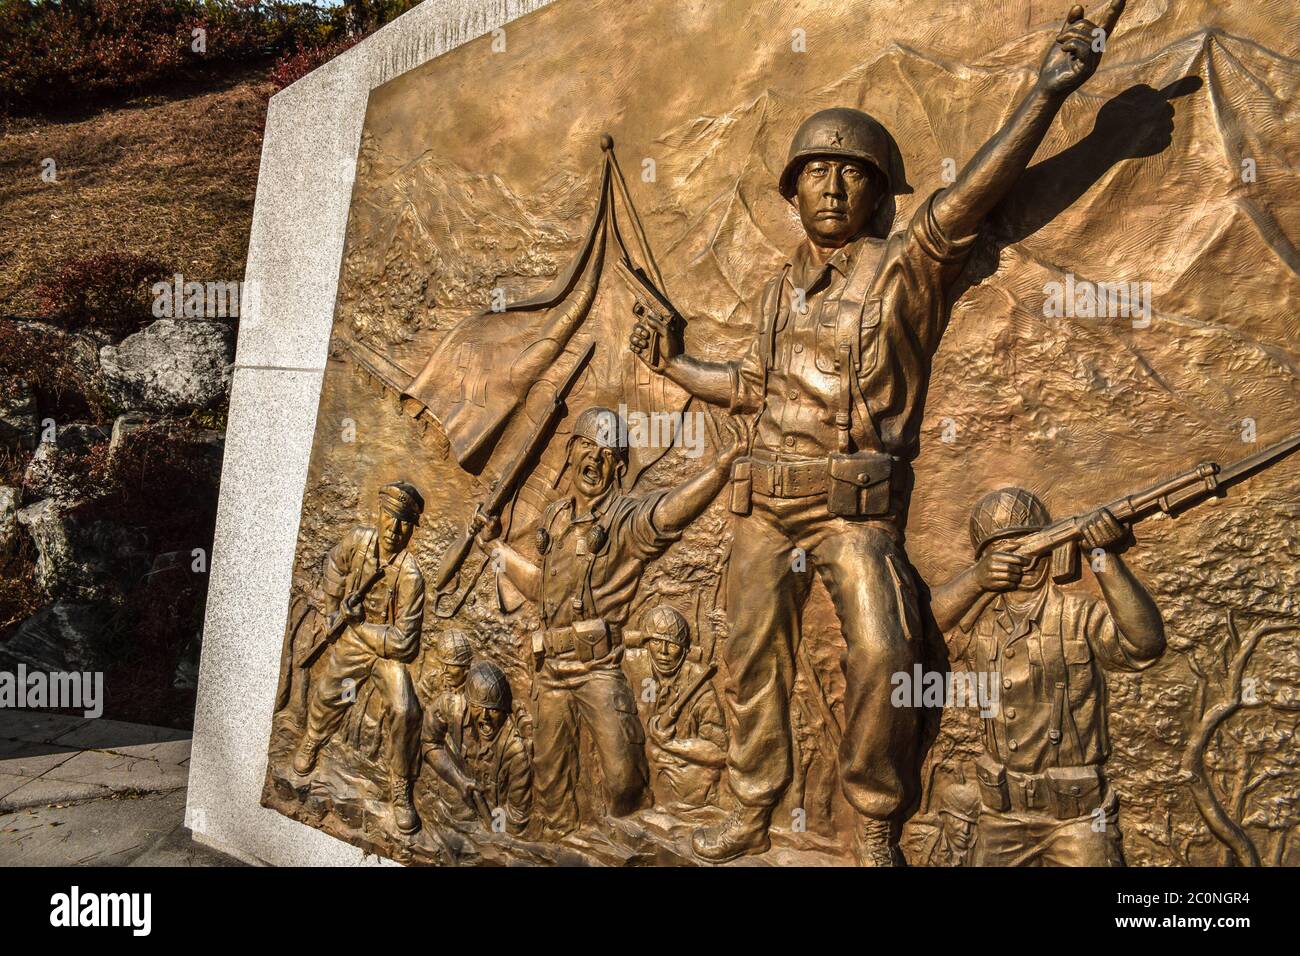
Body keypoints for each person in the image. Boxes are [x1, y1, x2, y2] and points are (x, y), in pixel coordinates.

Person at [629, 1, 1131, 865]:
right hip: (764, 505)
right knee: (745, 661)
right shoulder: (777, 293)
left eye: (851, 172)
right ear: (791, 191)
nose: (830, 185)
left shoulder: (908, 267)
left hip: (854, 513)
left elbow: (974, 192)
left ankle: (872, 819)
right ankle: (751, 806)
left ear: (878, 192)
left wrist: (1047, 94)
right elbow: (750, 387)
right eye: (815, 171)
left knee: (887, 653)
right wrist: (675, 365)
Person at [476, 405, 744, 835]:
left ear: (618, 467)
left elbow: (670, 512)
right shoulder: (557, 516)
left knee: (625, 779)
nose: (595, 460)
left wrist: (721, 468)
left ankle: (628, 847)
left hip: (597, 669)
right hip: (550, 672)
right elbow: (543, 589)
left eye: (607, 453)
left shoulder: (626, 520)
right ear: (571, 451)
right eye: (587, 447)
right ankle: (563, 847)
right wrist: (495, 551)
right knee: (552, 785)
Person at [929, 487, 1166, 866]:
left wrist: (1103, 557)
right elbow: (915, 628)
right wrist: (975, 581)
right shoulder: (980, 622)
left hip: (1078, 816)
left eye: (1029, 544)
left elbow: (1146, 643)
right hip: (1001, 814)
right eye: (1004, 551)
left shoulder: (1078, 614)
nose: (1023, 559)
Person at [292, 480, 426, 836]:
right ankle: (313, 739)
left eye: (404, 524)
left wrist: (359, 624)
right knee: (330, 690)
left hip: (386, 649)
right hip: (352, 637)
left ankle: (401, 786)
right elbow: (335, 565)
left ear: (411, 529)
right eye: (390, 518)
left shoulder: (411, 574)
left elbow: (404, 643)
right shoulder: (358, 540)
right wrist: (333, 609)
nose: (395, 531)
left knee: (405, 709)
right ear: (379, 514)